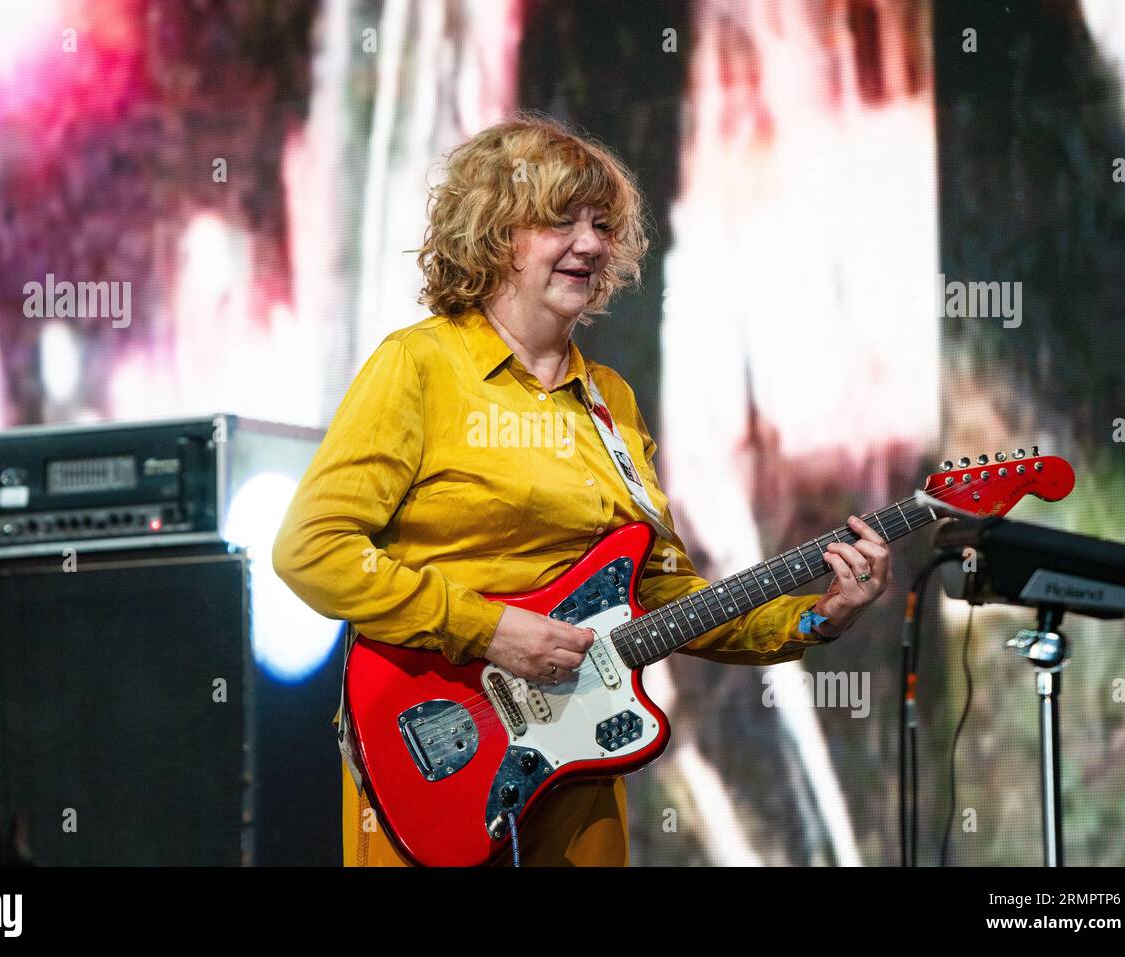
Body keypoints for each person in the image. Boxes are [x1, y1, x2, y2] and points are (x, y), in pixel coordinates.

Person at [272, 114, 890, 866]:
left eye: (602, 225)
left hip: (579, 750)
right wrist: (490, 629)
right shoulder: (419, 366)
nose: (592, 243)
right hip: (432, 739)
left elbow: (668, 600)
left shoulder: (612, 403)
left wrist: (813, 620)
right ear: (495, 233)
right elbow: (310, 549)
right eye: (560, 220)